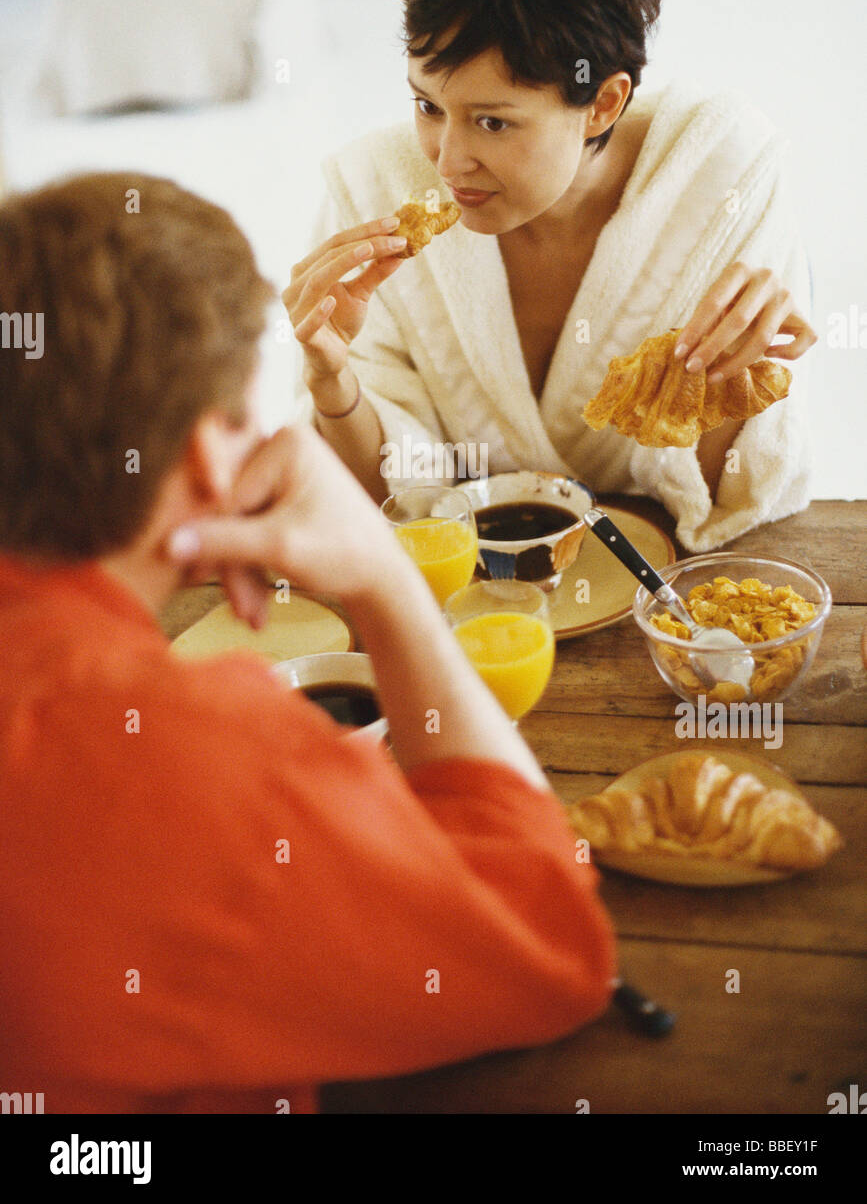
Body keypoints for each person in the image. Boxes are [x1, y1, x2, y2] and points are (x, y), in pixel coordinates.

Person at [0, 173, 615, 1115]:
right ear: (213, 454)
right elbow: (550, 946)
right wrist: (386, 584)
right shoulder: (184, 754)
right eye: (250, 416)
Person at [287, 0, 817, 552]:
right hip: (474, 600)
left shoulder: (719, 175)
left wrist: (727, 384)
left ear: (601, 104)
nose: (445, 160)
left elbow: (728, 499)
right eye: (426, 105)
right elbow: (390, 510)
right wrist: (331, 381)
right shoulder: (374, 186)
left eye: (493, 122)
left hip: (662, 588)